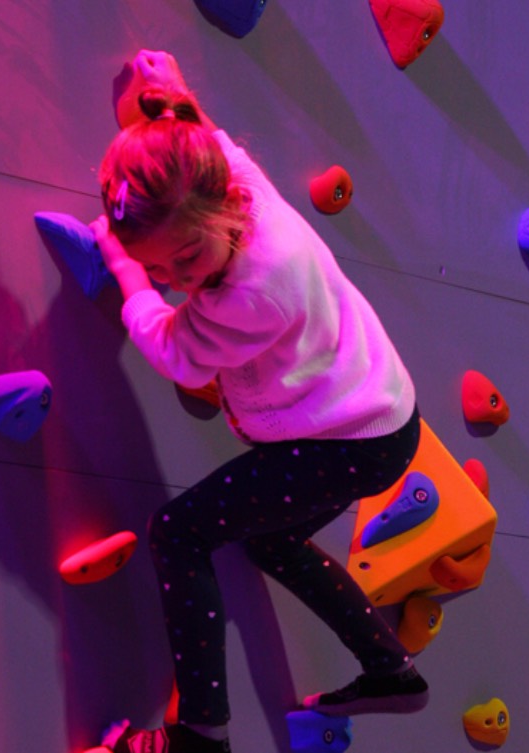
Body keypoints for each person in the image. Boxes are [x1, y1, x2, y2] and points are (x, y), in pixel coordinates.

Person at [90, 50, 428, 753]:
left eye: (185, 259)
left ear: (220, 211)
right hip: (382, 415)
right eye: (157, 267)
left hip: (344, 441)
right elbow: (210, 140)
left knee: (179, 533)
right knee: (273, 539)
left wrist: (128, 275)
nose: (176, 278)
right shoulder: (236, 187)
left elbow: (176, 353)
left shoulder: (250, 290)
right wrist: (177, 96)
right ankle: (392, 671)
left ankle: (200, 735)